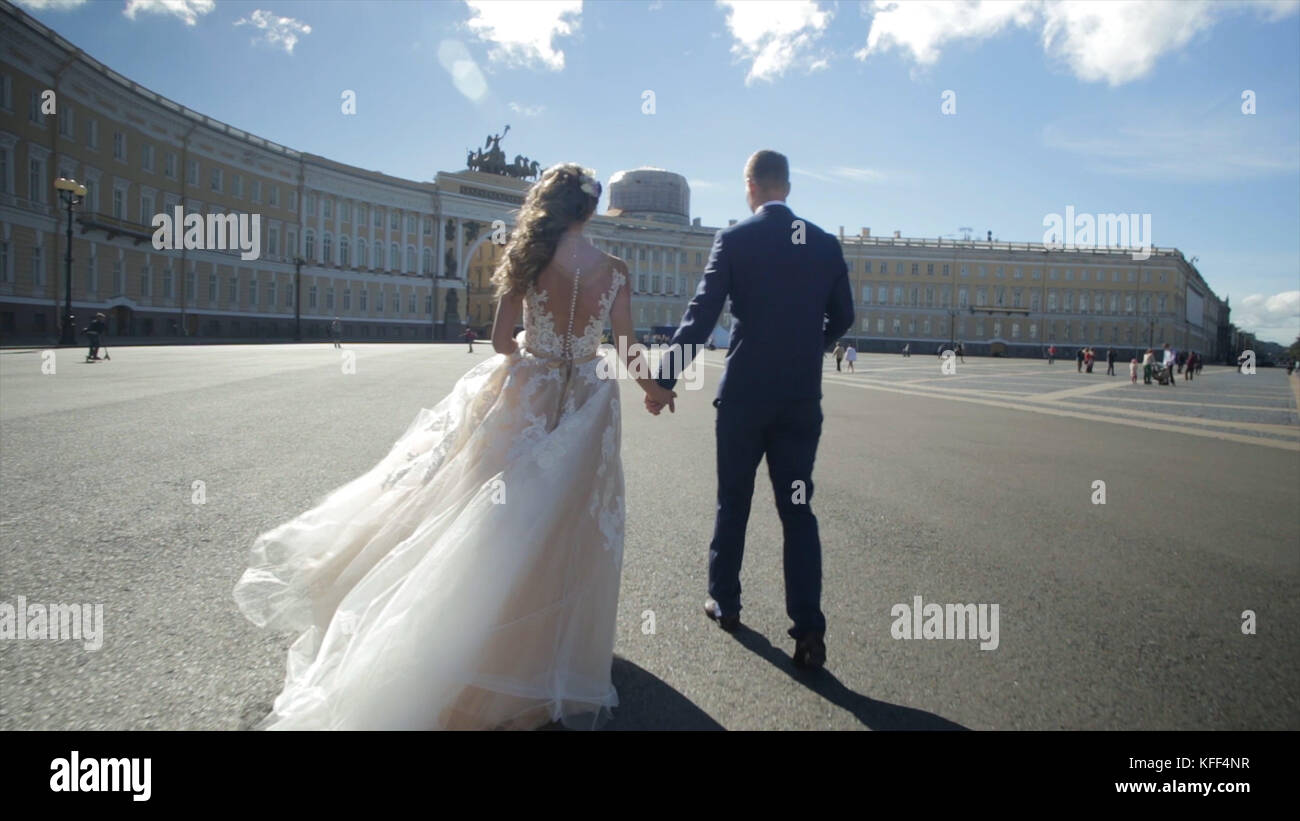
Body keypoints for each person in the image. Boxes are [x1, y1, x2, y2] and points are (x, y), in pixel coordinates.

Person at [234, 164, 675, 729]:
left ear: (548, 206)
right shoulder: (613, 269)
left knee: (491, 516)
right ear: (590, 211)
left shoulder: (527, 259)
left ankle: (469, 635)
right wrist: (655, 390)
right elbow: (628, 345)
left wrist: (530, 345)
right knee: (571, 524)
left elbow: (498, 341)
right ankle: (548, 652)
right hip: (589, 401)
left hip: (529, 392)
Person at [650, 149, 853, 669]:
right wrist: (810, 346)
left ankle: (726, 602)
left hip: (743, 399)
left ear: (751, 186)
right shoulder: (826, 245)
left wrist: (664, 379)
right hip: (800, 402)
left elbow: (700, 316)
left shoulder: (735, 239)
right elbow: (844, 317)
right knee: (798, 510)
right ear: (787, 185)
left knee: (733, 501)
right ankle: (808, 630)